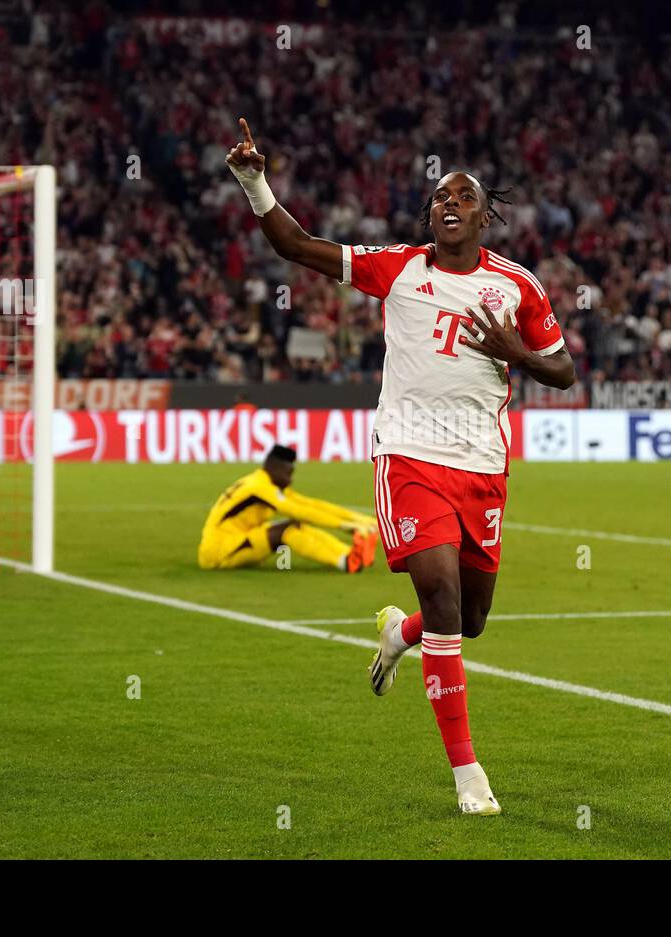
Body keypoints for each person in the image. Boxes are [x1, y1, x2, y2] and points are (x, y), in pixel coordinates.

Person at [226, 118, 576, 815]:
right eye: (439, 196)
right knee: (441, 593)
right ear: (430, 215)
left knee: (468, 619)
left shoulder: (518, 287)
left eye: (464, 196)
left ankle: (400, 634)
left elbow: (563, 369)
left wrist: (516, 351)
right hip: (410, 456)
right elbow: (295, 244)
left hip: (483, 465)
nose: (448, 203)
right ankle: (468, 773)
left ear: (485, 213)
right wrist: (252, 179)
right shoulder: (400, 268)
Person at [196, 444, 377, 572]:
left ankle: (349, 555)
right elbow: (298, 511)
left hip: (238, 538)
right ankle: (346, 560)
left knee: (294, 526)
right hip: (218, 552)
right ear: (274, 467)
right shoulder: (259, 487)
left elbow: (310, 504)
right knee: (288, 529)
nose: (290, 479)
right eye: (288, 473)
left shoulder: (265, 483)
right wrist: (346, 526)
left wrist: (363, 520)